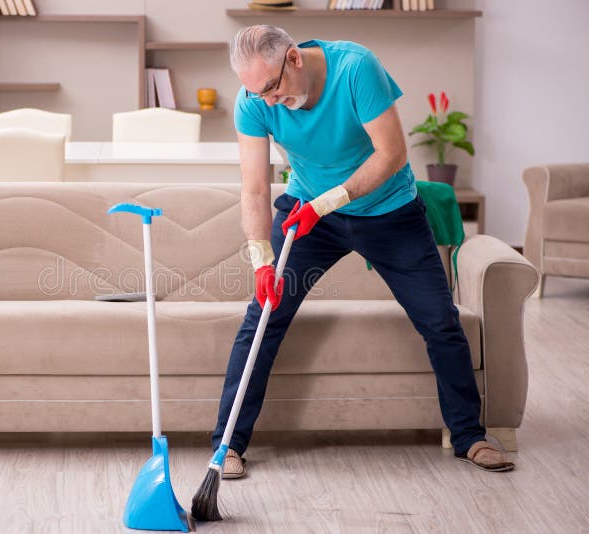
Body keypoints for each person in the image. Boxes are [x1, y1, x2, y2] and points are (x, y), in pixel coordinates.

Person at [212, 24, 514, 477]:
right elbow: (254, 188)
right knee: (263, 317)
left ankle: (470, 436)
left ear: (294, 58)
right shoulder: (254, 100)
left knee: (440, 320)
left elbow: (391, 154)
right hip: (307, 214)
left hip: (389, 212)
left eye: (272, 88)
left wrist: (326, 204)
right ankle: (228, 445)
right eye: (258, 94)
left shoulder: (356, 69)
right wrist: (261, 260)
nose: (269, 102)